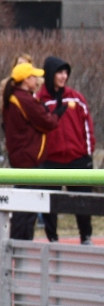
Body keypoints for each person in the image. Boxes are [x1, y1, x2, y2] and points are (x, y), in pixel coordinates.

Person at [37, 56, 95, 245]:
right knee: (50, 203)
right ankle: (52, 238)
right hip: (51, 160)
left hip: (77, 158)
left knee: (83, 201)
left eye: (65, 73)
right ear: (50, 75)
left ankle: (86, 236)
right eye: (59, 73)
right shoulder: (40, 100)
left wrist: (87, 153)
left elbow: (87, 126)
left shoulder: (76, 97)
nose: (63, 77)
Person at [2, 62, 59, 240]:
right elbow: (48, 122)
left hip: (22, 156)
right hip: (29, 158)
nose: (37, 80)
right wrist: (57, 114)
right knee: (27, 208)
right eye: (33, 77)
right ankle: (21, 243)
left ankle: (21, 241)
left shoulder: (14, 97)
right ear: (26, 80)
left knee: (25, 205)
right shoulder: (25, 99)